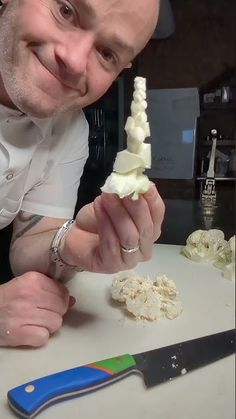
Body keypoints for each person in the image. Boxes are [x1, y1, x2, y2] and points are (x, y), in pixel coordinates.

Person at [0, 0, 165, 347]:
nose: (74, 62)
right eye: (66, 11)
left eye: (106, 53)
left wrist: (73, 244)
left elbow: (28, 243)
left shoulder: (69, 129)